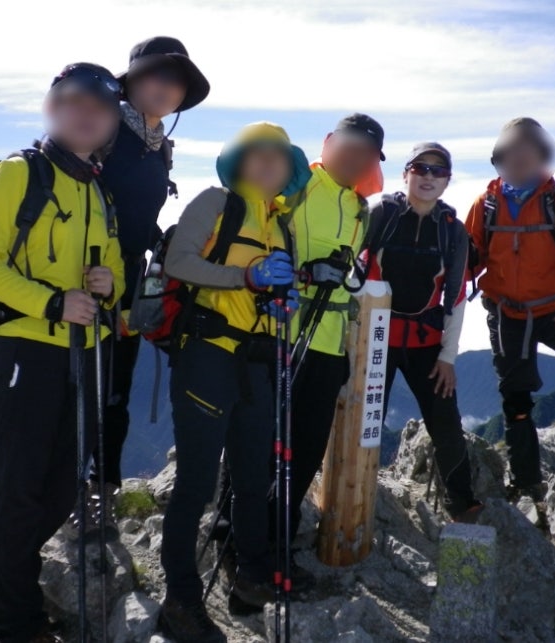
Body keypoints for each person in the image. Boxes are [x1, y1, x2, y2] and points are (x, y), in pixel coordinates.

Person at [0, 64, 125, 643]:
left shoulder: (97, 189)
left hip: (83, 354)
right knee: (20, 490)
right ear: (52, 108)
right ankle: (10, 621)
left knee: (57, 490)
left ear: (112, 124)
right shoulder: (19, 173)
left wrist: (110, 284)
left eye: (101, 109)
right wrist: (52, 303)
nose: (87, 114)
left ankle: (1, 598)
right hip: (23, 352)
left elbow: (117, 270)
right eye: (74, 102)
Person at [158, 122, 310, 642]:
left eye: (278, 157)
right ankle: (180, 601)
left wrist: (285, 305)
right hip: (206, 354)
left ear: (290, 171)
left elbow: (277, 295)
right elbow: (179, 262)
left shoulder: (283, 225)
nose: (268, 163)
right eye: (256, 154)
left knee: (251, 477)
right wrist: (246, 278)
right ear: (238, 162)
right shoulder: (215, 203)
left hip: (258, 362)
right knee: (196, 483)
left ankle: (251, 578)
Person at [65, 36, 210, 541]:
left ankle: (99, 492)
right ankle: (60, 495)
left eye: (177, 81)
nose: (166, 87)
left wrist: (160, 241)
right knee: (77, 388)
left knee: (114, 391)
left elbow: (133, 215)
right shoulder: (105, 130)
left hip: (125, 285)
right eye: (156, 75)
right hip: (79, 277)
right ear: (131, 81)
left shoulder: (158, 146)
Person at [466, 117, 555, 501]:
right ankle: (526, 479)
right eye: (512, 153)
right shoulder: (486, 204)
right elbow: (468, 259)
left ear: (542, 157)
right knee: (516, 398)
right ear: (499, 158)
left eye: (528, 153)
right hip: (506, 313)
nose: (519, 160)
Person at [283, 113, 385, 572]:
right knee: (262, 448)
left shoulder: (361, 209)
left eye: (368, 154)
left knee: (305, 453)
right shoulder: (294, 186)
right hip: (279, 339)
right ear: (327, 142)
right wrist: (303, 275)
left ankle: (280, 545)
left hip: (327, 349)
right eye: (351, 145)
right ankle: (241, 547)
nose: (357, 158)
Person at [363, 142, 482, 522]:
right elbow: (354, 274)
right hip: (374, 340)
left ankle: (462, 504)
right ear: (406, 174)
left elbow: (456, 297)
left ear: (447, 181)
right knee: (365, 421)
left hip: (426, 345)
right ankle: (353, 494)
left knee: (445, 423)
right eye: (421, 168)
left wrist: (448, 357)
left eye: (438, 171)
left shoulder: (452, 231)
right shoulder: (381, 214)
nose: (429, 176)